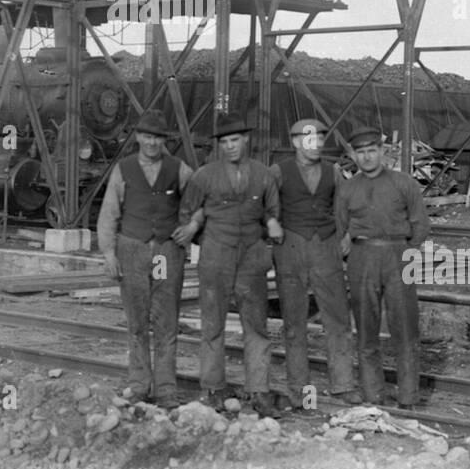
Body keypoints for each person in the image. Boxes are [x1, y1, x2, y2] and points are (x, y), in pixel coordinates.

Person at [176, 112, 282, 417]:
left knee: (256, 326)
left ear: (246, 140)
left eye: (235, 140)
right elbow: (187, 213)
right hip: (215, 257)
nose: (231, 146)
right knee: (212, 325)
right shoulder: (204, 175)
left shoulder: (263, 175)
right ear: (219, 145)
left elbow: (272, 212)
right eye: (225, 142)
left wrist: (269, 230)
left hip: (251, 258)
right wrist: (205, 239)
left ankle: (259, 392)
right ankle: (213, 389)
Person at [97, 111, 195, 410]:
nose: (153, 142)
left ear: (165, 140)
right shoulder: (123, 169)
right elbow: (109, 213)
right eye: (148, 136)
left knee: (166, 322)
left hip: (165, 251)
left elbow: (200, 201)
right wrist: (109, 254)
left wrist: (191, 227)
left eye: (159, 137)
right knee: (137, 322)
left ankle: (166, 389)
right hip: (133, 250)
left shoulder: (179, 169)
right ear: (138, 137)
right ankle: (139, 384)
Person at [335, 127, 430, 409]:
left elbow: (421, 225)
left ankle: (408, 397)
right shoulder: (348, 189)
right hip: (362, 257)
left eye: (372, 151)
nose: (366, 157)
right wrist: (349, 251)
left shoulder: (405, 184)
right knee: (366, 329)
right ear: (353, 155)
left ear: (382, 151)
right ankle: (372, 395)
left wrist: (407, 254)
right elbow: (339, 229)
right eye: (360, 152)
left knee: (405, 329)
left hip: (399, 256)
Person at [271, 119, 361, 408]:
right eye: (309, 140)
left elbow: (346, 206)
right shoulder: (277, 172)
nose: (316, 145)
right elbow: (266, 210)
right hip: (290, 250)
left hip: (325, 249)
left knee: (337, 319)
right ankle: (299, 391)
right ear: (296, 142)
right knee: (294, 323)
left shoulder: (333, 172)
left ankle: (343, 385)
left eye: (320, 140)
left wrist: (346, 235)